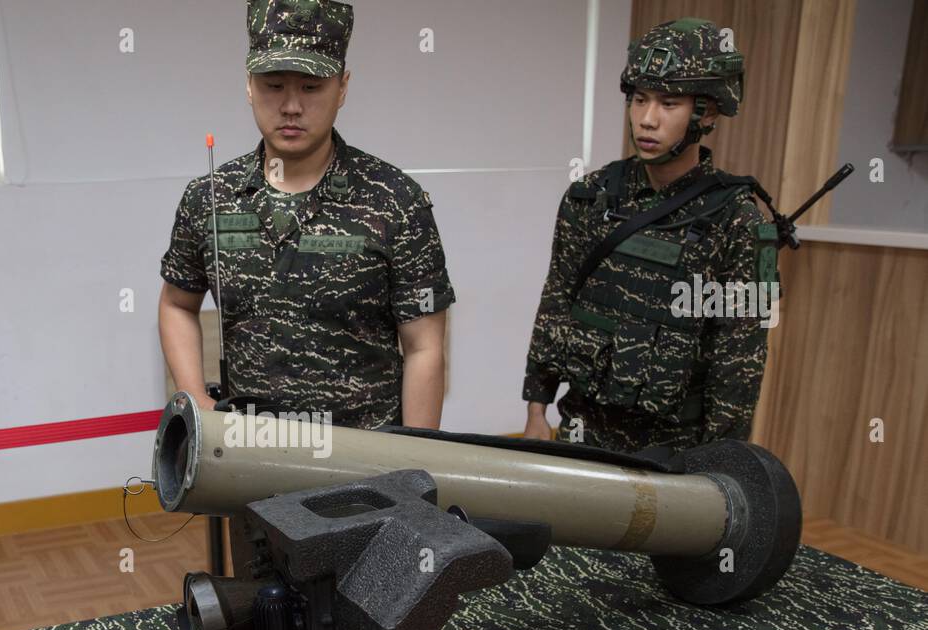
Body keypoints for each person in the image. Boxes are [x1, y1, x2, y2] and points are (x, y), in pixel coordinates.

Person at [159, 0, 455, 431]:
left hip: (364, 466)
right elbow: (176, 304)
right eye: (274, 85)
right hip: (249, 458)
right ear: (249, 86)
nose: (291, 106)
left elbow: (424, 347)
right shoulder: (210, 197)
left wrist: (414, 467)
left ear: (342, 88)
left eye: (312, 87)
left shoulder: (394, 200)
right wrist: (196, 396)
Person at [522, 18, 777, 453]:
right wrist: (535, 411)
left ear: (708, 112)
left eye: (669, 103)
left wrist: (721, 462)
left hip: (672, 451)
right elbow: (557, 301)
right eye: (639, 99)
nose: (647, 119)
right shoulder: (590, 197)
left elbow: (739, 360)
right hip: (581, 433)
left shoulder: (741, 224)